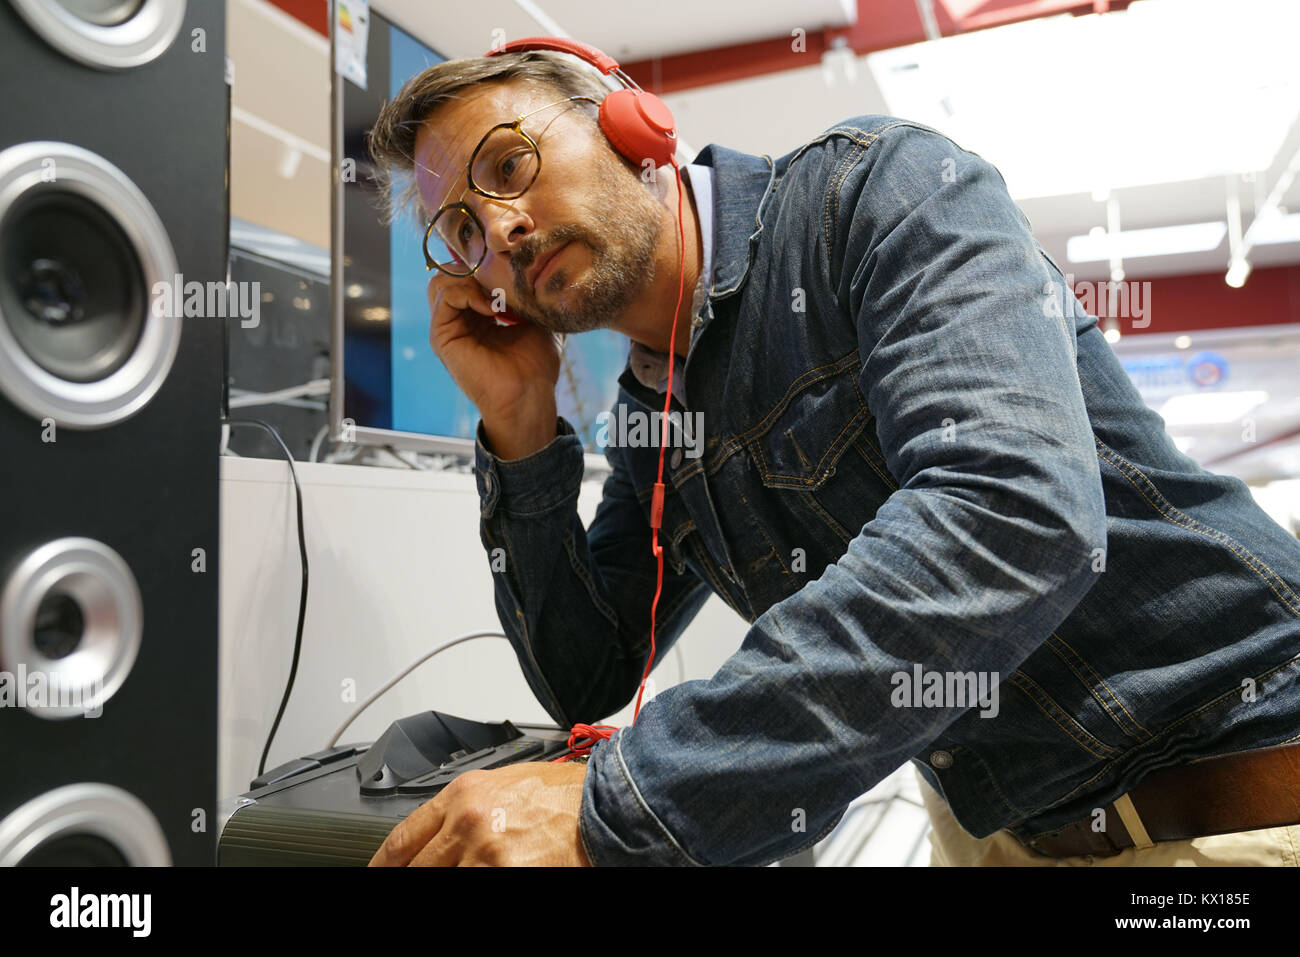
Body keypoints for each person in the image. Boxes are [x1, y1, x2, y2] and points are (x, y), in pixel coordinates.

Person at [363, 45, 1300, 867]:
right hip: (1004, 836)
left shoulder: (877, 192)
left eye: (510, 163)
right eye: (464, 234)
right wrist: (521, 424)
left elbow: (1008, 515)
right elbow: (589, 674)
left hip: (1244, 814)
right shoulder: (655, 403)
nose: (505, 230)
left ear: (625, 119)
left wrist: (631, 798)